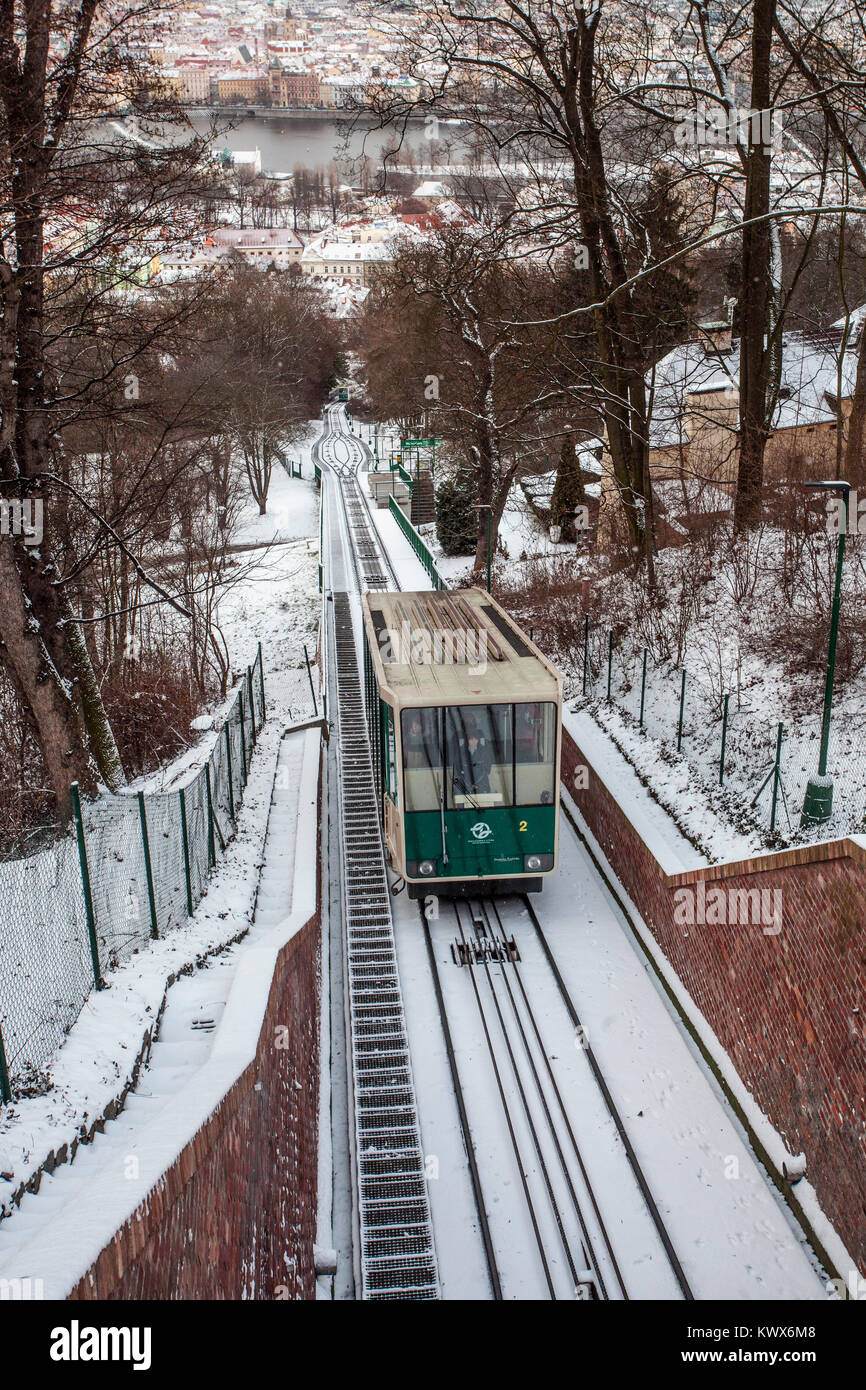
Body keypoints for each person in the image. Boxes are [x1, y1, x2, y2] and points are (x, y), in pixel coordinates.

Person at [453, 718, 493, 795]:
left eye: (476, 739)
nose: (474, 741)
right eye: (471, 739)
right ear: (466, 740)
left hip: (482, 786)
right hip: (465, 786)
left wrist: (476, 784)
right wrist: (469, 784)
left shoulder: (484, 751)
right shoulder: (460, 752)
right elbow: (458, 770)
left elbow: (487, 769)